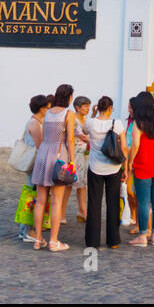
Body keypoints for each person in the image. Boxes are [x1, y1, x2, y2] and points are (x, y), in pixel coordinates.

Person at [30, 83, 77, 251]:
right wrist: (72, 160)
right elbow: (70, 139)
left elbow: (43, 137)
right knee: (57, 201)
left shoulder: (48, 112)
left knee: (41, 200)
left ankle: (38, 239)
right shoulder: (69, 114)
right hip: (59, 155)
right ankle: (53, 241)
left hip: (43, 154)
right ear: (69, 97)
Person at [127, 90, 154, 247]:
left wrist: (130, 162)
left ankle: (143, 236)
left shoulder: (138, 122)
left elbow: (136, 144)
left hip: (143, 166)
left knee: (143, 202)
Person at [84, 96, 124, 250]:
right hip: (113, 167)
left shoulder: (91, 122)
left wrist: (93, 114)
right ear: (110, 108)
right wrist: (125, 168)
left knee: (94, 203)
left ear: (98, 107)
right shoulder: (117, 123)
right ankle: (113, 240)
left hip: (95, 167)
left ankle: (92, 241)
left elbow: (85, 129)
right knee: (113, 203)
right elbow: (124, 148)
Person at [17, 94, 49, 242]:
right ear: (41, 108)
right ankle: (26, 231)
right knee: (32, 196)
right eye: (47, 106)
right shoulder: (35, 124)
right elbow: (40, 146)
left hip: (34, 164)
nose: (49, 108)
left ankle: (25, 230)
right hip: (35, 164)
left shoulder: (36, 121)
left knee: (32, 195)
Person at [71, 96, 92, 224]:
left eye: (88, 106)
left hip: (85, 154)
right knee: (70, 184)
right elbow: (83, 136)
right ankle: (61, 214)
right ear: (77, 107)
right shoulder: (73, 119)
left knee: (83, 184)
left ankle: (82, 211)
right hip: (76, 153)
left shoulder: (84, 119)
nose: (87, 108)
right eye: (85, 106)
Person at [123, 97, 141, 236]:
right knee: (128, 191)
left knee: (134, 191)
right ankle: (133, 215)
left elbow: (135, 143)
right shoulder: (128, 122)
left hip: (135, 160)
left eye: (131, 108)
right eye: (128, 107)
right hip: (126, 159)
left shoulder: (138, 123)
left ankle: (138, 221)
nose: (129, 110)